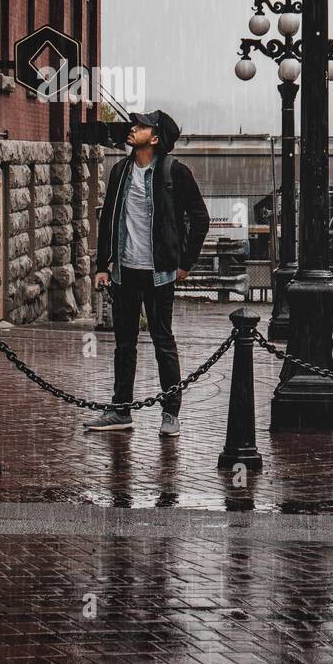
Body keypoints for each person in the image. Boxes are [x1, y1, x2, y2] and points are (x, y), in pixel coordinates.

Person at [84, 110, 209, 436]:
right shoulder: (120, 171)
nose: (132, 129)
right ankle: (121, 410)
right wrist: (102, 266)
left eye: (140, 126)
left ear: (155, 139)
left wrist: (185, 262)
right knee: (124, 345)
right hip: (125, 273)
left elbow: (200, 218)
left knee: (162, 341)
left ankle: (171, 414)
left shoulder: (174, 172)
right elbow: (108, 219)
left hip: (159, 274)